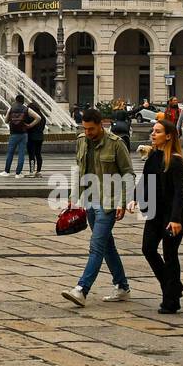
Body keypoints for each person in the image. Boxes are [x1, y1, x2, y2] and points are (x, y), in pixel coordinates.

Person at [61, 108, 136, 308]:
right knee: (107, 246)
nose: (88, 133)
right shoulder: (81, 141)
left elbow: (128, 174)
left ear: (101, 124)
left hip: (109, 202)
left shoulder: (116, 144)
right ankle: (122, 286)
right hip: (90, 201)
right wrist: (73, 197)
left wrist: (123, 202)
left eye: (91, 129)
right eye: (85, 129)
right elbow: (78, 171)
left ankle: (81, 289)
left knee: (96, 246)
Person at [134, 118, 183, 314]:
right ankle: (173, 287)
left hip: (172, 215)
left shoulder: (175, 160)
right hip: (154, 212)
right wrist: (134, 198)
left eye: (157, 131)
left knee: (170, 254)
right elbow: (145, 180)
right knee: (148, 249)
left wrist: (176, 219)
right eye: (153, 131)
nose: (153, 134)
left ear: (168, 136)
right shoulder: (153, 155)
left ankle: (171, 300)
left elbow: (178, 193)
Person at [1, 94, 37, 177]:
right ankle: (18, 173)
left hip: (13, 134)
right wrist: (30, 125)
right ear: (23, 101)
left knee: (10, 153)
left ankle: (7, 171)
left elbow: (6, 121)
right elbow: (38, 117)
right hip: (23, 134)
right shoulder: (26, 109)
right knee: (21, 154)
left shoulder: (11, 108)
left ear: (15, 100)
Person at [25, 100, 47, 176]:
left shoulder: (31, 117)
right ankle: (39, 171)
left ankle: (31, 171)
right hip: (40, 137)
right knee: (38, 154)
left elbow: (27, 126)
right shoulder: (43, 117)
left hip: (31, 138)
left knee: (31, 155)